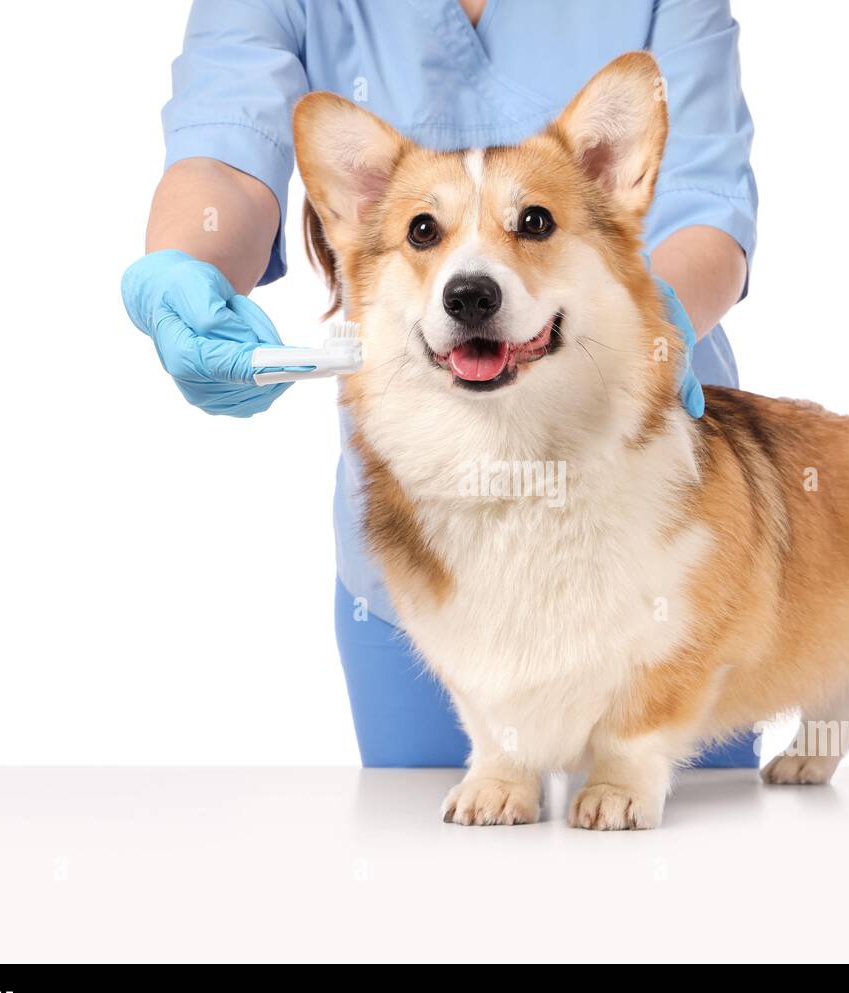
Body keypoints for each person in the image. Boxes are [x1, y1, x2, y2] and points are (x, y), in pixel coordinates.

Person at [122, 0, 759, 766]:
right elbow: (226, 154)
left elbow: (705, 207)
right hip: (418, 574)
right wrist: (182, 270)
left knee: (685, 866)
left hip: (667, 547)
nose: (474, 284)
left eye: (533, 226)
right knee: (428, 873)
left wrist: (656, 322)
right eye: (425, 233)